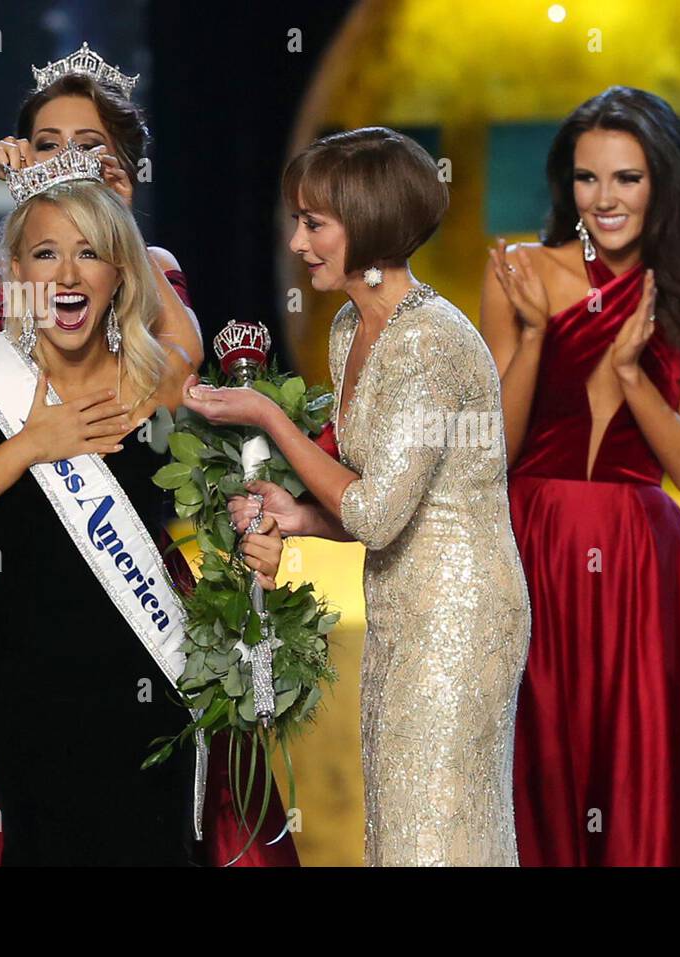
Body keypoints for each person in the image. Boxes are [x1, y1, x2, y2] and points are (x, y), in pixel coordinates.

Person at [0, 44, 296, 866]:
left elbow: (205, 415)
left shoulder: (155, 372)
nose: (66, 271)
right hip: (24, 667)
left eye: (89, 253)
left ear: (118, 265)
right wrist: (33, 445)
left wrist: (258, 540)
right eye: (47, 254)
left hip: (148, 661)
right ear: (15, 269)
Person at [185, 127, 532, 866]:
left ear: (369, 223)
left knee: (434, 833)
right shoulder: (351, 326)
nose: (298, 241)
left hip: (461, 613)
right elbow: (373, 504)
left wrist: (269, 418)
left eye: (315, 223)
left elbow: (376, 511)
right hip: (401, 599)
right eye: (298, 221)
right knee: (400, 824)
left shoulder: (427, 343)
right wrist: (300, 516)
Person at [481, 86, 680, 866]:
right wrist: (535, 336)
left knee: (642, 781)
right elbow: (493, 452)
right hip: (533, 548)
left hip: (645, 568)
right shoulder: (520, 270)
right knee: (539, 774)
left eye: (626, 179)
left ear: (663, 182)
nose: (604, 199)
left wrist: (635, 377)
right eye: (586, 178)